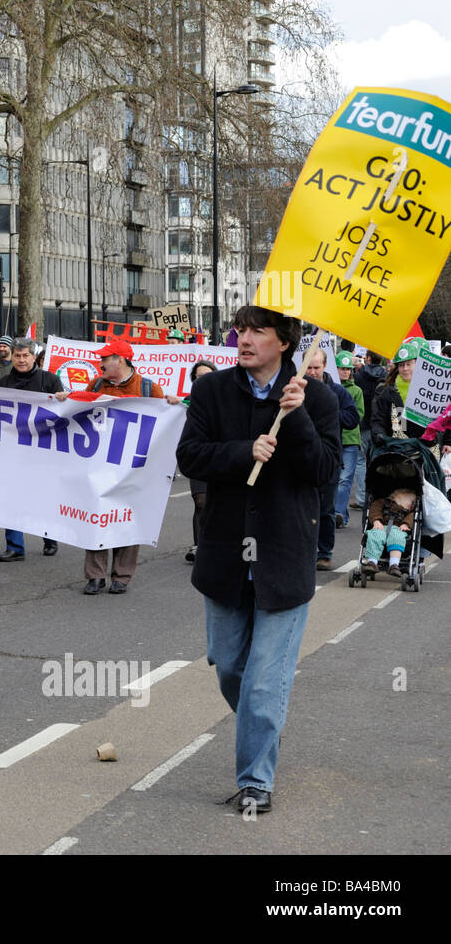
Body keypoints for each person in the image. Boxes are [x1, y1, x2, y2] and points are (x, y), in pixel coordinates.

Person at [177, 304, 340, 814]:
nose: (243, 339)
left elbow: (324, 473)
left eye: (257, 332)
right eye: (240, 330)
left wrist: (296, 423)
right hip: (226, 556)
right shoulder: (211, 390)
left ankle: (255, 780)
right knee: (231, 670)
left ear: (284, 342)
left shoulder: (317, 398)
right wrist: (244, 450)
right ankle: (262, 727)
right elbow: (190, 456)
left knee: (266, 681)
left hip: (284, 557)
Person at [55, 339, 179, 594]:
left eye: (104, 359)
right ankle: (95, 576)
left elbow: (164, 423)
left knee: (125, 516)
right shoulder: (97, 384)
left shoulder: (148, 389)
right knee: (96, 512)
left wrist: (172, 404)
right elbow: (79, 406)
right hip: (99, 462)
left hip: (133, 466)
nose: (99, 363)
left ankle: (122, 575)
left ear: (120, 361)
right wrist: (64, 399)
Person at [0, 337, 62, 561]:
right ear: (12, 357)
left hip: (43, 450)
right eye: (17, 356)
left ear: (34, 357)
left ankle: (49, 536)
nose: (21, 360)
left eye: (26, 356)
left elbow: (63, 413)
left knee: (42, 496)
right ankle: (15, 546)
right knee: (10, 497)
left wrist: (63, 399)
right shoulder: (3, 383)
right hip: (13, 450)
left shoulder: (50, 380)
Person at [302, 347, 358, 570]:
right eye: (309, 368)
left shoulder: (337, 392)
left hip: (328, 457)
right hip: (301, 456)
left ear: (325, 367)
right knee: (301, 507)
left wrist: (329, 411)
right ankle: (303, 550)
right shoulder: (296, 388)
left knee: (325, 508)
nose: (313, 372)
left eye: (317, 367)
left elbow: (353, 418)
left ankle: (324, 552)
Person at [181, 359, 219, 563]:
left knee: (219, 503)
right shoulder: (186, 402)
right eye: (198, 377)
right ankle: (199, 546)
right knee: (201, 501)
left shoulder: (224, 399)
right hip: (198, 458)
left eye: (207, 375)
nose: (202, 380)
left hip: (220, 458)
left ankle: (216, 543)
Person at [332, 351, 365, 528]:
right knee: (334, 478)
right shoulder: (329, 388)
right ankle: (339, 514)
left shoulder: (356, 390)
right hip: (333, 439)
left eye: (347, 369)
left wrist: (338, 416)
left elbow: (359, 415)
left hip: (350, 441)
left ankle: (338, 514)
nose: (345, 372)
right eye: (341, 368)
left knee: (345, 480)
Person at [351, 349, 387, 508]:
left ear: (369, 358)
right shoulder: (387, 377)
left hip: (364, 424)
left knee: (360, 461)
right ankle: (378, 498)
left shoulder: (358, 376)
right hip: (380, 426)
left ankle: (361, 499)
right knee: (379, 460)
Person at [362, 487, 417, 576]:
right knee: (375, 535)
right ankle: (372, 563)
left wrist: (406, 524)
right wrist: (376, 520)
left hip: (398, 529)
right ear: (399, 497)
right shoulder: (382, 502)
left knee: (397, 538)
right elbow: (374, 510)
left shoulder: (409, 511)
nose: (412, 505)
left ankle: (394, 565)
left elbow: (412, 517)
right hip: (381, 527)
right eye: (411, 501)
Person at [370, 342, 418, 440]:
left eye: (409, 364)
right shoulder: (388, 392)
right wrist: (379, 434)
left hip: (423, 449)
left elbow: (443, 419)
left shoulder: (427, 390)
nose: (405, 369)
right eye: (401, 365)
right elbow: (378, 419)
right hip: (397, 449)